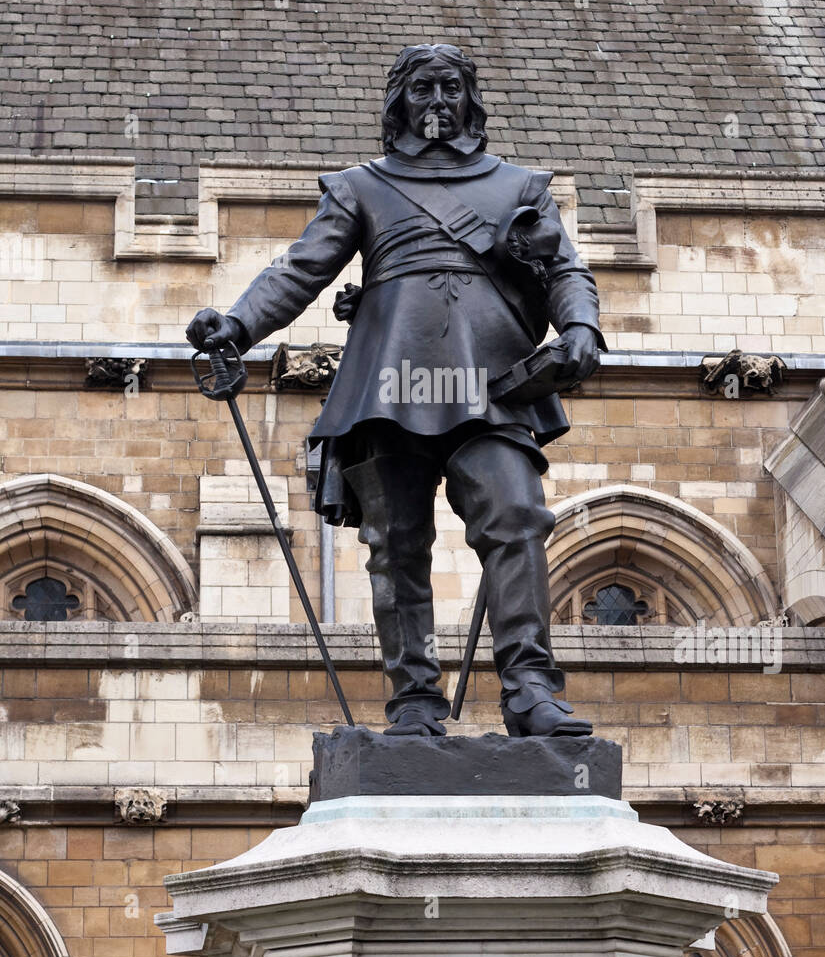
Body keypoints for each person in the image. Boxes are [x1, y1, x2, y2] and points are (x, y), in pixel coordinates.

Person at [186, 43, 606, 737]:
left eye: (448, 88)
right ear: (398, 104)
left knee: (516, 515)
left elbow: (566, 270)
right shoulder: (362, 186)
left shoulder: (520, 187)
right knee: (396, 542)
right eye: (420, 90)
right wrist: (236, 324)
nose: (436, 102)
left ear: (470, 101)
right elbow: (299, 270)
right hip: (389, 382)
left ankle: (531, 687)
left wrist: (583, 325)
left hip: (492, 380)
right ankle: (413, 701)